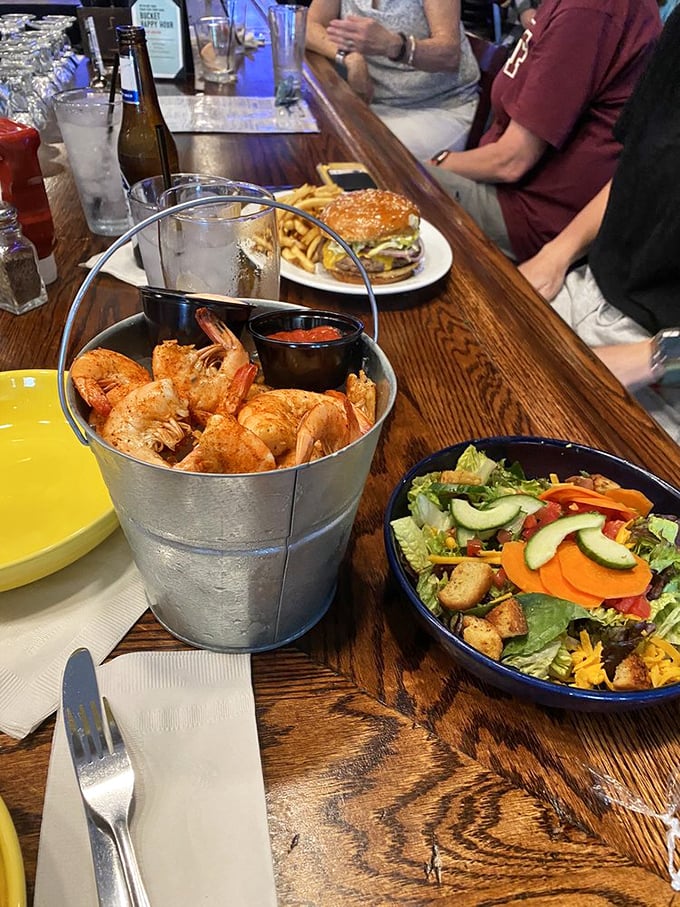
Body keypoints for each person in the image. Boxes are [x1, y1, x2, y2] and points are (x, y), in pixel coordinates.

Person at [517, 7, 680, 442]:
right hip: (586, 290)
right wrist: (557, 253)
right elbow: (637, 167)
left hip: (665, 366)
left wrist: (654, 357)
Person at [425, 0, 661, 263]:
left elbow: (511, 161)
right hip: (515, 192)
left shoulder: (590, 10)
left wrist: (437, 163)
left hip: (529, 216)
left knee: (398, 181)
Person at [305, 0, 480, 161]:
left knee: (347, 153)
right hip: (373, 104)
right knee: (313, 136)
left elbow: (449, 56)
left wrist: (393, 46)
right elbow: (308, 26)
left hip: (439, 107)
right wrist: (350, 58)